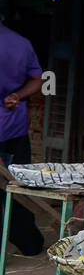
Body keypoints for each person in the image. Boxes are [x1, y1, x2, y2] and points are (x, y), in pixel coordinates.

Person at [0, 16, 47, 255]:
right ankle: (30, 243)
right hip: (14, 126)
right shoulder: (21, 43)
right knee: (17, 185)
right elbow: (39, 79)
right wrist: (18, 95)